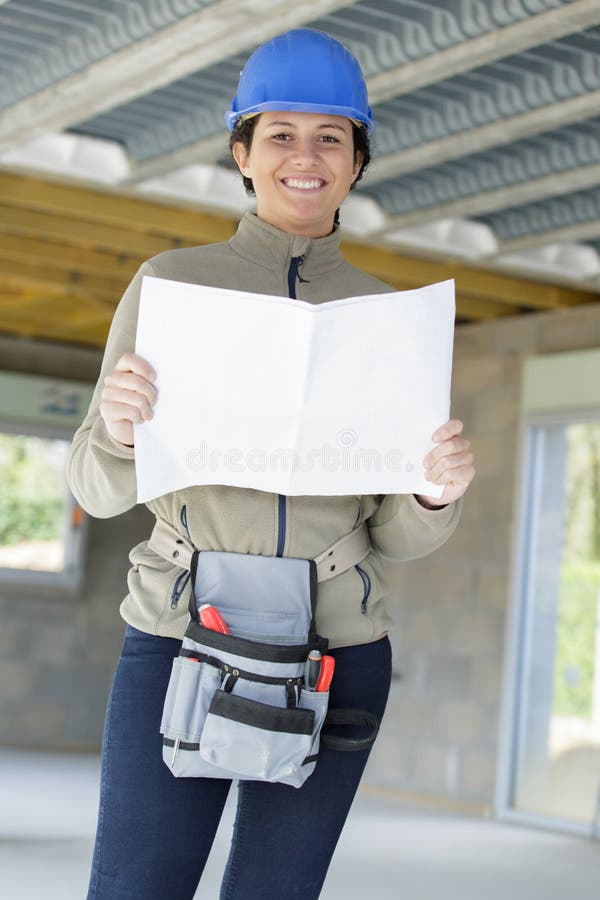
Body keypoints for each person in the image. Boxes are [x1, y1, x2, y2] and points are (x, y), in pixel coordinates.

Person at [67, 27, 475, 900]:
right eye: (281, 134)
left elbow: (394, 539)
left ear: (357, 162)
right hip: (182, 636)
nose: (306, 156)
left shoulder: (386, 320)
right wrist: (120, 429)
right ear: (241, 154)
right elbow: (94, 490)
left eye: (332, 137)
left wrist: (432, 495)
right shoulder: (173, 284)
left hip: (340, 651)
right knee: (135, 888)